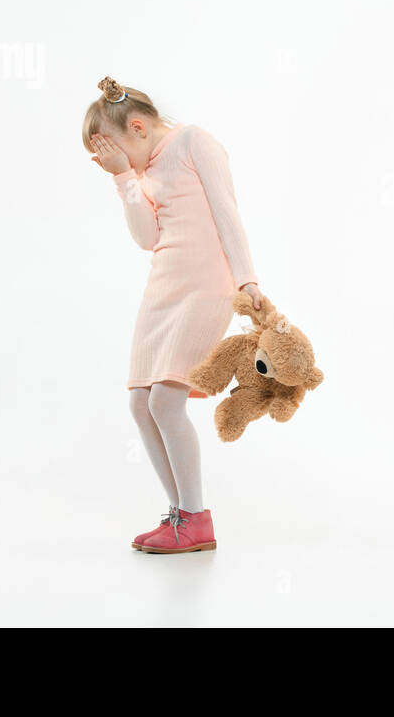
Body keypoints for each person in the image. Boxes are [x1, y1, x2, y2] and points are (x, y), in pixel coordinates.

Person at [84, 76, 262, 554]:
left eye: (112, 151)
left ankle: (196, 517)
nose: (111, 162)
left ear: (137, 127)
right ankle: (180, 515)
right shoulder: (141, 172)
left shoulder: (193, 142)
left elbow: (227, 212)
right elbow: (147, 238)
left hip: (206, 286)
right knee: (140, 404)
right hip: (163, 288)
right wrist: (124, 177)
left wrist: (247, 281)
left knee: (166, 401)